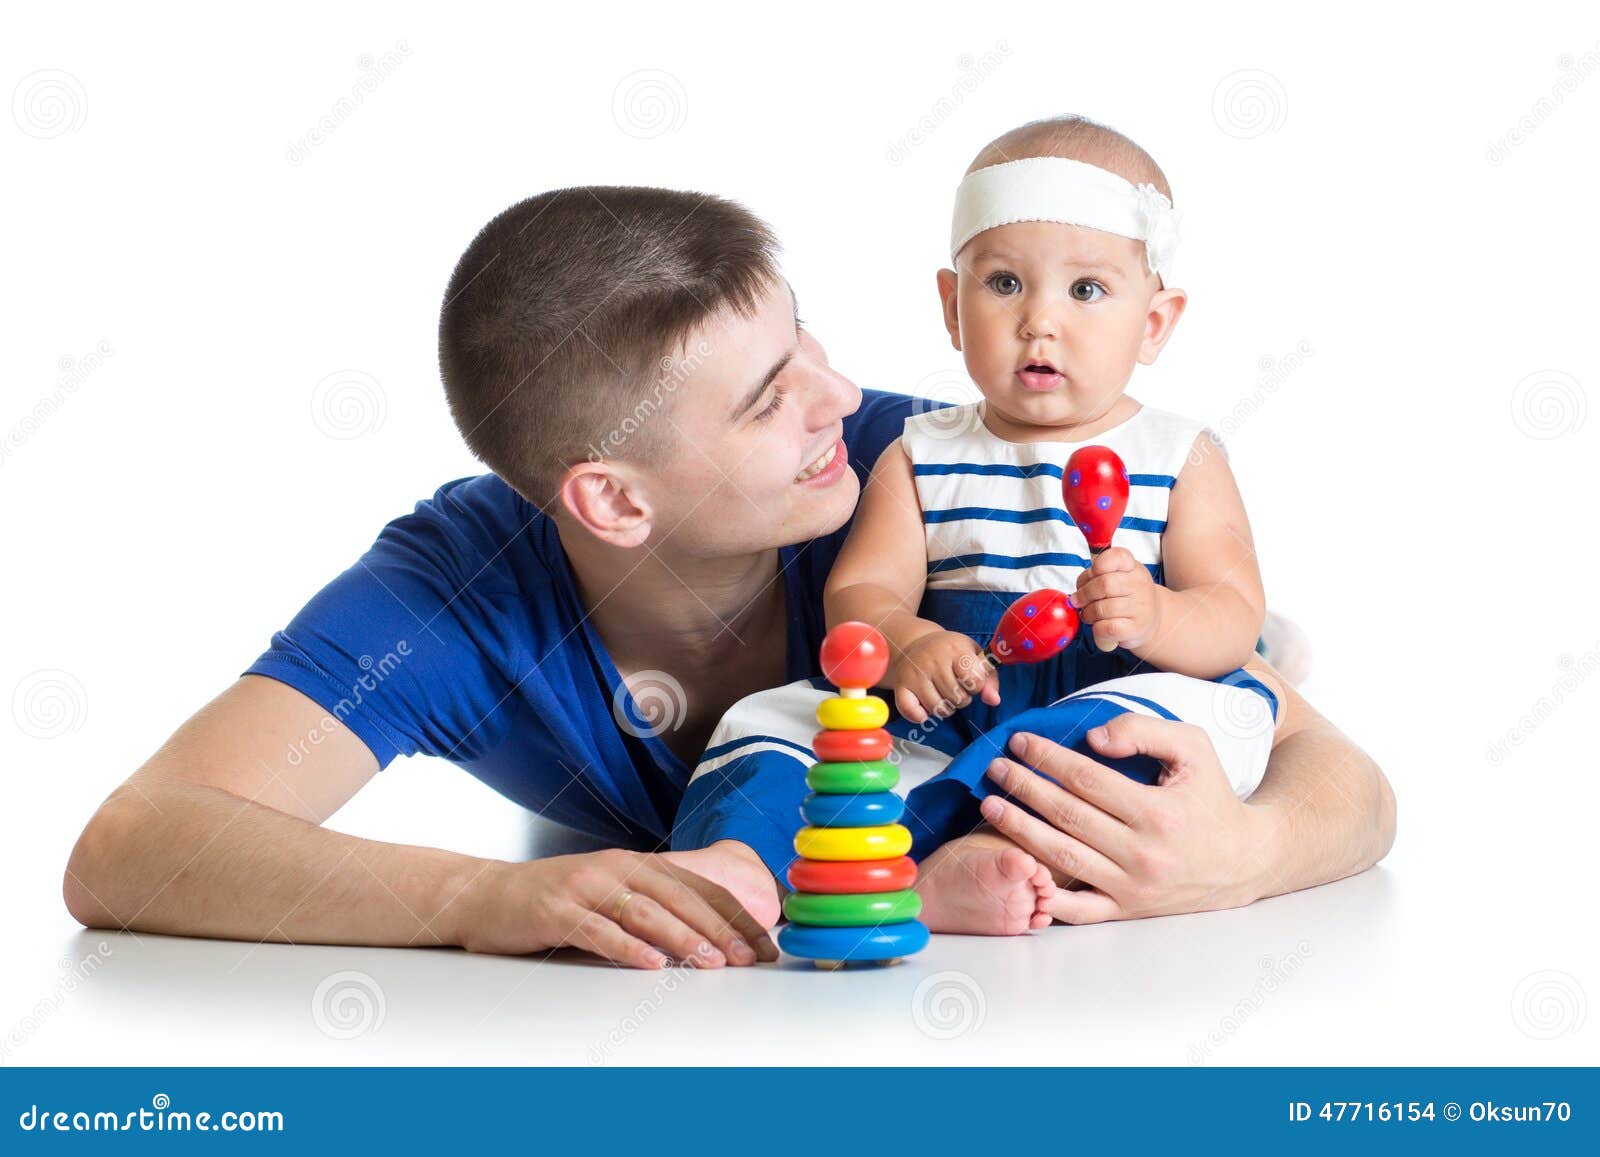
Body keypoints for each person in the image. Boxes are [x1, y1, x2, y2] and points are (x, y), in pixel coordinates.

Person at [63, 180, 1396, 970]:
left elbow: (1340, 774)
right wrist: (480, 898)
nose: (843, 392)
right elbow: (133, 846)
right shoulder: (457, 590)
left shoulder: (926, 470)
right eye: (773, 398)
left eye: (803, 337)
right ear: (611, 499)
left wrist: (1251, 855)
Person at [669, 117, 1286, 936]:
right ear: (952, 308)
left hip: (1105, 699)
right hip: (960, 703)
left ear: (1155, 322)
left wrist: (1162, 615)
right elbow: (864, 588)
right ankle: (744, 864)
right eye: (1003, 284)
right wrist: (906, 639)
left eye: (1087, 290)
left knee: (1181, 726)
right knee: (775, 719)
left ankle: (980, 846)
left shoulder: (1180, 455)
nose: (1040, 321)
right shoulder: (921, 452)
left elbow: (1234, 614)